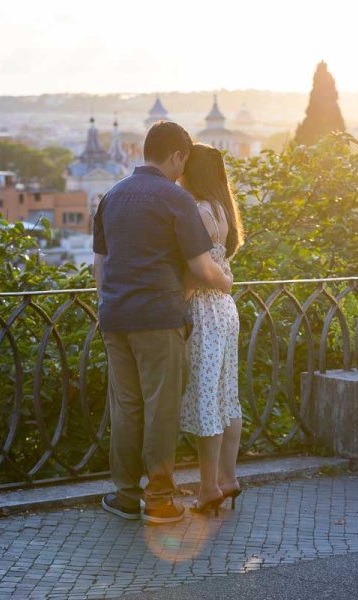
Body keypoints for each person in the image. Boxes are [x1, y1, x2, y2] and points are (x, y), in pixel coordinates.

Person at [93, 121, 233, 525]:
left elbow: (100, 264)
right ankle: (159, 500)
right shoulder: (175, 199)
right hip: (157, 316)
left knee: (127, 407)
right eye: (183, 160)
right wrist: (225, 280)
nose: (182, 169)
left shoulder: (112, 196)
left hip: (115, 316)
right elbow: (201, 267)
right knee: (161, 407)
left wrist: (109, 302)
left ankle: (124, 496)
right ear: (176, 155)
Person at [178, 143, 245, 516]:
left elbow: (196, 270)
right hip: (224, 309)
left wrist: (180, 296)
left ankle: (207, 489)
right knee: (226, 396)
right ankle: (228, 478)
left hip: (203, 309)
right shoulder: (222, 210)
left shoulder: (199, 211)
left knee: (206, 398)